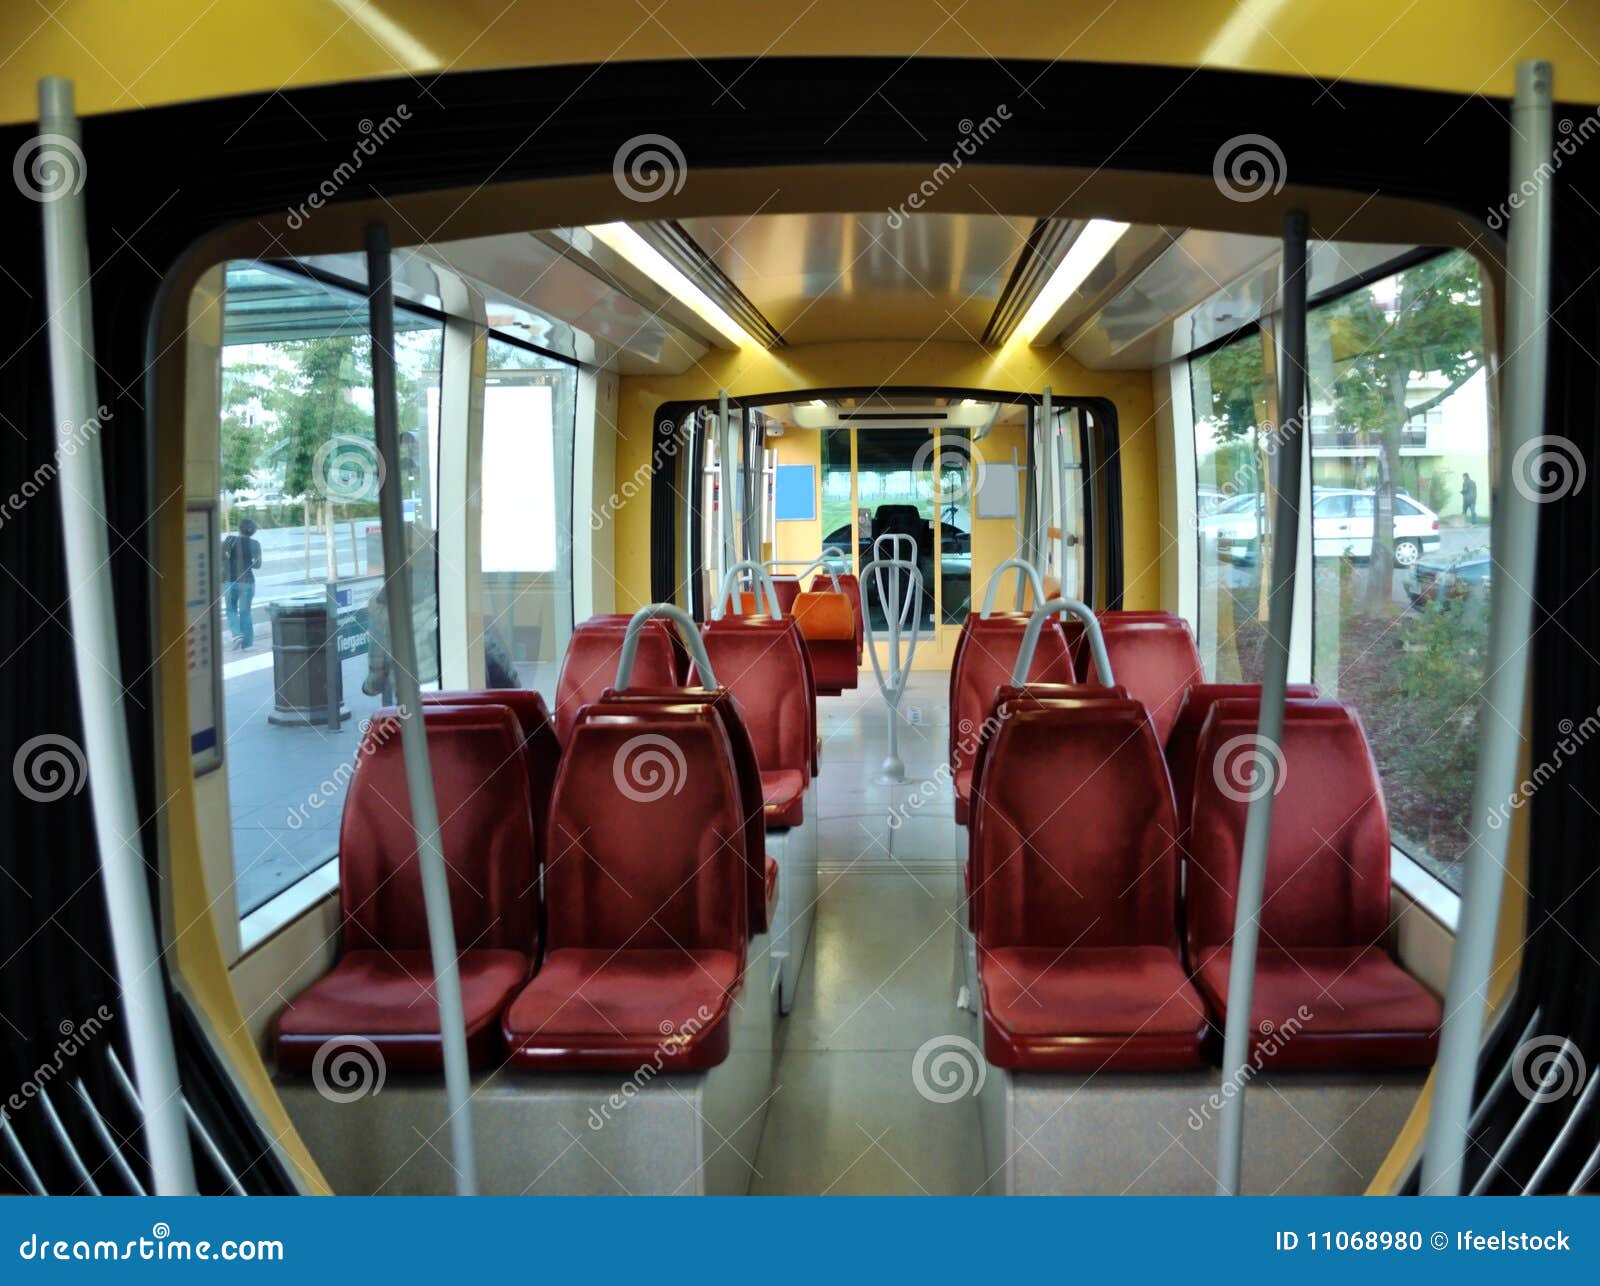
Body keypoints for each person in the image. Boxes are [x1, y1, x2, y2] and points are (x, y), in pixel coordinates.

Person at [222, 518, 262, 649]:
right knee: (245, 612)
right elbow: (258, 565)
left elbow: (221, 558)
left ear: (239, 528)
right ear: (253, 531)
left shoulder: (230, 540)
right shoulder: (255, 544)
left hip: (230, 581)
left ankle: (237, 634)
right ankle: (248, 644)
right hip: (248, 582)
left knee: (231, 610)